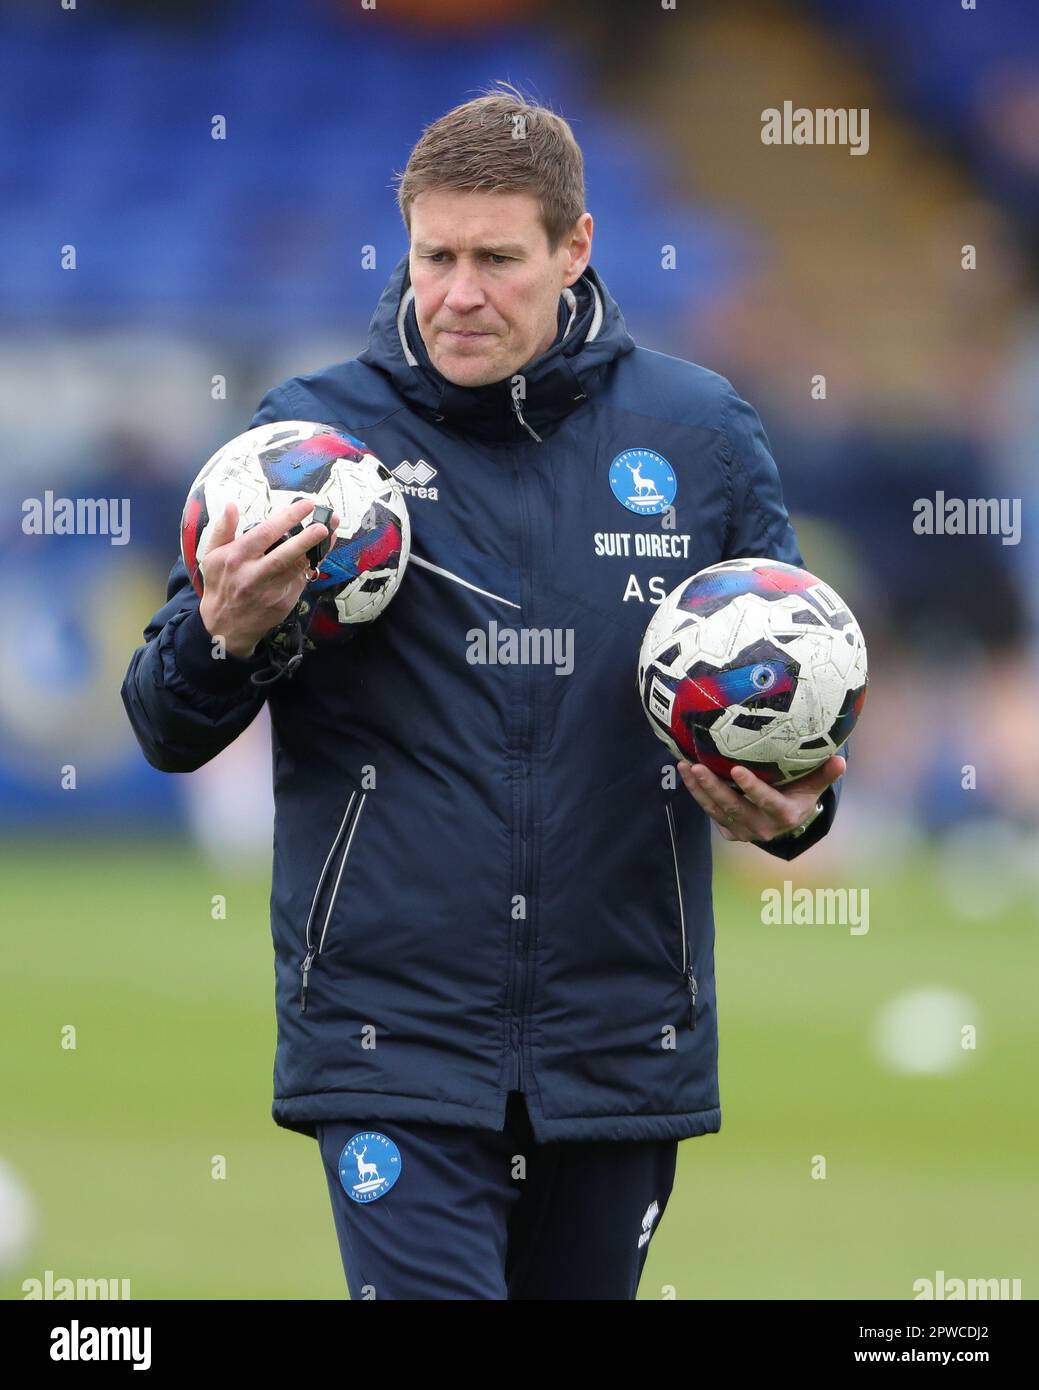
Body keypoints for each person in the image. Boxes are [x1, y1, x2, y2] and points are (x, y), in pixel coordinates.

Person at [121, 85, 847, 1301]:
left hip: (620, 1035)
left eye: (497, 259)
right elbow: (163, 720)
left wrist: (798, 811)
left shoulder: (700, 434)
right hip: (385, 1037)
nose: (458, 293)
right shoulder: (307, 444)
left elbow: (797, 709)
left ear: (574, 249)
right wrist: (223, 629)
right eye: (434, 256)